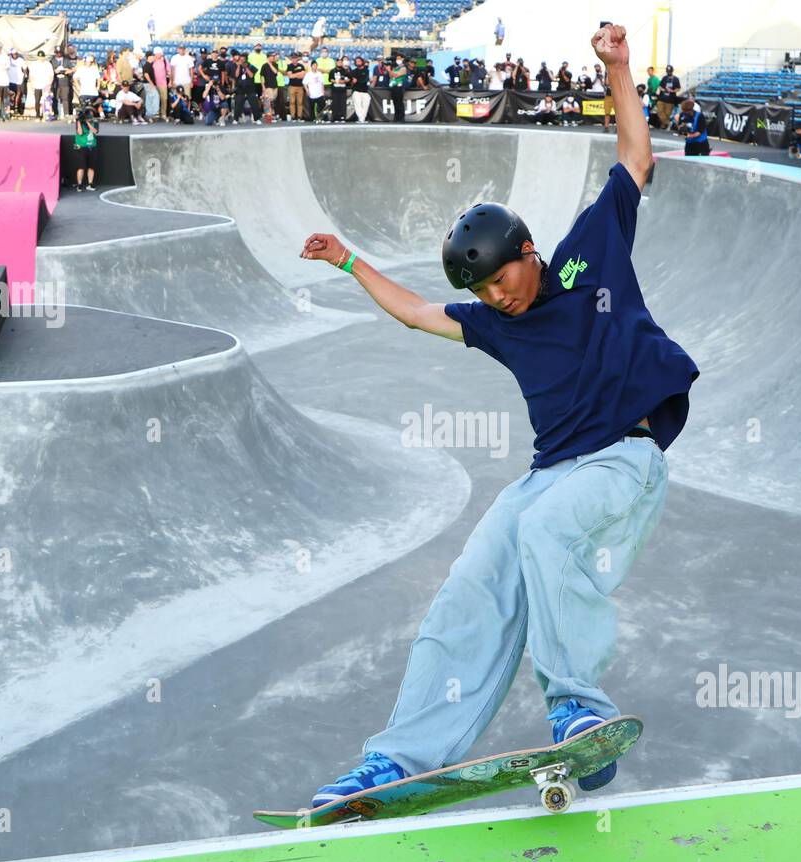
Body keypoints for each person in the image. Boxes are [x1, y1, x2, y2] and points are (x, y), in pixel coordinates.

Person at [298, 23, 697, 808]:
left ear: (527, 249)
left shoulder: (591, 251)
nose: (497, 298)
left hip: (625, 456)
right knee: (470, 584)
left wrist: (618, 68)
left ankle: (578, 708)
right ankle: (400, 758)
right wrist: (349, 261)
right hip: (549, 473)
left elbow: (636, 158)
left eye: (501, 279)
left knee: (550, 535)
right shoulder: (493, 323)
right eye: (480, 292)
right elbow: (415, 311)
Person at [73, 108, 99, 191]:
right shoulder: (79, 123)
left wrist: (88, 123)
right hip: (81, 146)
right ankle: (79, 184)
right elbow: (80, 133)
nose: (89, 116)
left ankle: (90, 184)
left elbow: (95, 131)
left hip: (92, 146)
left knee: (91, 167)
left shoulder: (95, 122)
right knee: (81, 167)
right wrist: (79, 122)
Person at [233, 53, 261, 123]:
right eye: (241, 59)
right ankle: (235, 119)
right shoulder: (238, 66)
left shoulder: (251, 66)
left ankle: (257, 119)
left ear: (246, 59)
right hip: (240, 88)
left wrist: (246, 67)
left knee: (254, 104)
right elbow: (236, 75)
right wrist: (239, 66)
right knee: (238, 104)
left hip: (250, 88)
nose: (242, 60)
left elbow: (251, 76)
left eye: (243, 59)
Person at [29, 51, 54, 121]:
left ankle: (44, 115)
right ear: (37, 57)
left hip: (45, 85)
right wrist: (32, 84)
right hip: (37, 85)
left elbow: (51, 75)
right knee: (37, 101)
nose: (41, 58)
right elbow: (31, 75)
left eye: (42, 57)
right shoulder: (34, 64)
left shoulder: (48, 64)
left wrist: (49, 85)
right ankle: (37, 115)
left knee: (45, 102)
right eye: (39, 57)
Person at [654, 64, 679, 129]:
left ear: (672, 71)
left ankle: (664, 126)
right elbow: (660, 86)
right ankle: (668, 123)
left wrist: (673, 91)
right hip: (662, 98)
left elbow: (678, 88)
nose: (668, 72)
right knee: (659, 111)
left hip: (670, 100)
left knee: (667, 114)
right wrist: (663, 90)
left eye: (670, 71)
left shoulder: (676, 79)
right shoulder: (664, 78)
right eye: (667, 71)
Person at [328, 56, 350, 122]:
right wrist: (337, 81)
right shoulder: (332, 71)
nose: (339, 63)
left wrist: (343, 81)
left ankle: (342, 117)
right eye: (338, 62)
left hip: (343, 90)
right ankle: (335, 117)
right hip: (335, 90)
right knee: (335, 103)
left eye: (341, 62)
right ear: (336, 63)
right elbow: (330, 79)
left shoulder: (345, 71)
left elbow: (349, 79)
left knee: (342, 104)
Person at [286, 53, 307, 121]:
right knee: (292, 102)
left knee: (300, 102)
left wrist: (294, 74)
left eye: (295, 58)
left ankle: (299, 116)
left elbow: (303, 75)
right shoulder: (289, 66)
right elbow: (290, 76)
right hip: (292, 86)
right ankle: (293, 116)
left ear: (297, 59)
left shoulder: (301, 66)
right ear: (291, 59)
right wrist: (298, 74)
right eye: (293, 58)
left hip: (300, 86)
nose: (294, 59)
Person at [350, 55, 371, 122]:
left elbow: (364, 80)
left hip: (365, 91)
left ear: (362, 62)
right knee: (357, 105)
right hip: (356, 91)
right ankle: (361, 118)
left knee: (366, 105)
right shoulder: (353, 71)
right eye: (356, 61)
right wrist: (353, 81)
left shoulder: (366, 70)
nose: (358, 62)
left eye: (359, 61)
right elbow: (351, 82)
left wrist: (357, 80)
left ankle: (362, 118)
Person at [388, 55, 407, 122]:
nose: (398, 60)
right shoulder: (395, 68)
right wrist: (390, 70)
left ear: (402, 59)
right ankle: (396, 117)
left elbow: (396, 75)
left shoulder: (403, 68)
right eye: (397, 58)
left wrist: (389, 70)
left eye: (399, 58)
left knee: (399, 102)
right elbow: (390, 76)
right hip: (393, 86)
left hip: (399, 86)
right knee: (395, 102)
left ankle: (401, 117)